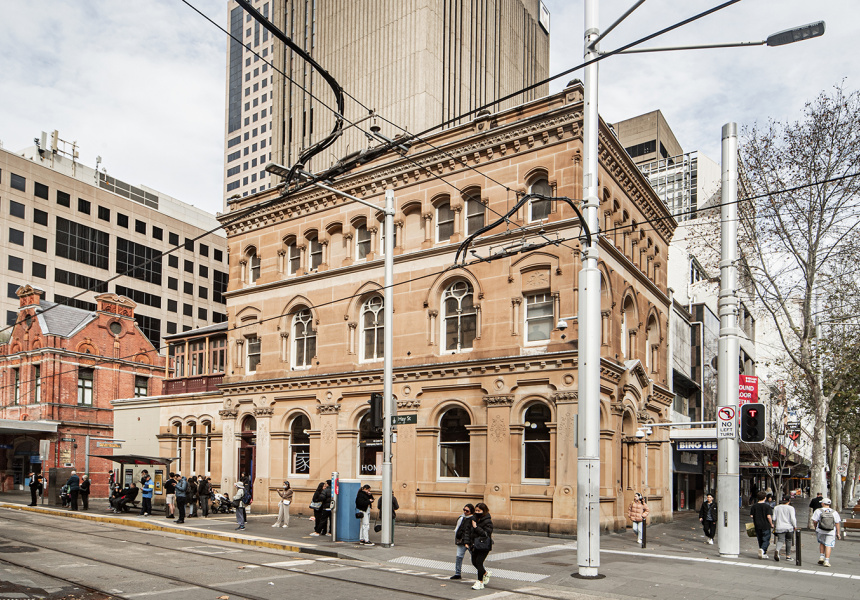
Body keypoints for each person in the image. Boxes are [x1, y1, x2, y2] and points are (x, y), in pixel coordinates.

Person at [467, 502, 494, 590]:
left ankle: (480, 582)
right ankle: (485, 573)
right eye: (476, 510)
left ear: (484, 511)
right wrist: (467, 542)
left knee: (479, 562)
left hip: (483, 545)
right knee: (474, 562)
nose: (477, 512)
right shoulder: (473, 519)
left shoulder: (488, 521)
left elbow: (486, 534)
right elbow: (468, 531)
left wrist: (476, 527)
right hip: (474, 544)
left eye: (479, 510)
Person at [812, 497, 842, 567]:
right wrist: (838, 533)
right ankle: (827, 561)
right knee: (828, 545)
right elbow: (837, 523)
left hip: (820, 530)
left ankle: (821, 556)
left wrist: (815, 527)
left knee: (822, 543)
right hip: (831, 531)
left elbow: (815, 521)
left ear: (822, 503)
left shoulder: (818, 511)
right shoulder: (834, 512)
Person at [450, 503, 474, 580]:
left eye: (467, 511)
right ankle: (457, 573)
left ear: (471, 511)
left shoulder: (473, 519)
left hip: (470, 542)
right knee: (459, 557)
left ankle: (482, 573)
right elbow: (457, 528)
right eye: (464, 510)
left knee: (476, 559)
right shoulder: (461, 518)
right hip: (461, 540)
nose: (465, 512)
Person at [750, 491, 775, 559]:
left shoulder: (754, 506)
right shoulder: (767, 506)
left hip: (757, 525)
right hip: (765, 525)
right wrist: (771, 524)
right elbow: (768, 516)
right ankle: (763, 550)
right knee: (766, 539)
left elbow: (751, 516)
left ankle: (763, 552)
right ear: (765, 498)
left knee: (760, 539)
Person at [772, 495, 797, 561]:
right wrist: (795, 526)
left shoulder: (776, 508)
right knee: (788, 541)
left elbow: (774, 518)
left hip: (779, 527)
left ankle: (777, 550)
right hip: (789, 527)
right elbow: (792, 518)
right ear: (789, 501)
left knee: (780, 540)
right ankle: (788, 556)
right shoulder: (791, 508)